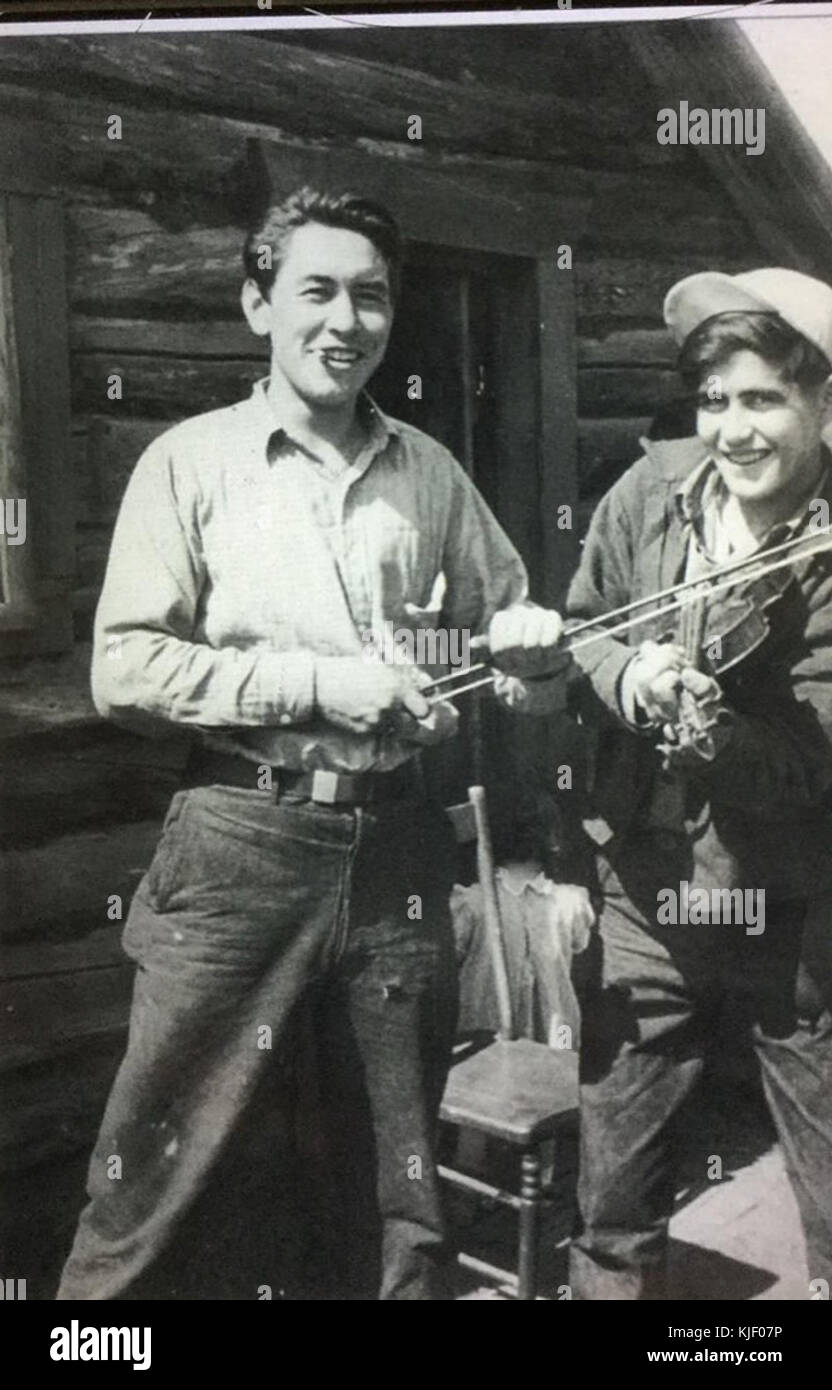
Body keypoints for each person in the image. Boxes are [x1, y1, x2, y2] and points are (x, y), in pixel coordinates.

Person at [56, 186, 571, 1302]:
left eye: (372, 298)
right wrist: (319, 683)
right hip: (237, 841)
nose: (348, 321)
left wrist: (534, 657)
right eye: (318, 291)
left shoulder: (430, 472)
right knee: (153, 1178)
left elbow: (517, 661)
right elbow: (125, 669)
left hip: (396, 857)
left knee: (392, 1197)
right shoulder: (189, 463)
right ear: (258, 304)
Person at [565, 267, 832, 1299]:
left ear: (821, 404)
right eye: (715, 400)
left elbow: (810, 768)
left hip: (794, 908)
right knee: (614, 1200)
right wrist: (630, 674)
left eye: (762, 397)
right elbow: (589, 618)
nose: (732, 429)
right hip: (646, 889)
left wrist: (710, 732)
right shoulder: (650, 489)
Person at [451, 784, 594, 1048]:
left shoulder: (569, 902)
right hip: (508, 1033)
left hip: (537, 1034)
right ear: (554, 840)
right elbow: (580, 944)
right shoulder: (475, 904)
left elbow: (452, 956)